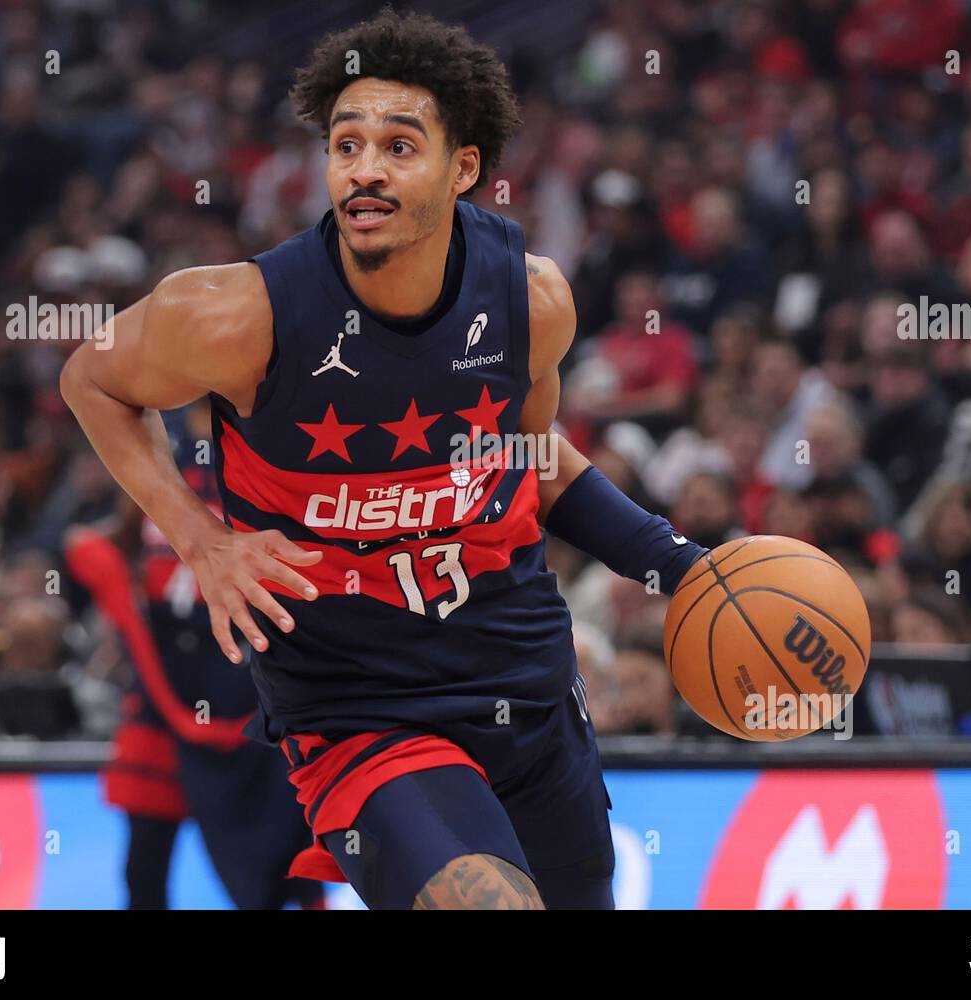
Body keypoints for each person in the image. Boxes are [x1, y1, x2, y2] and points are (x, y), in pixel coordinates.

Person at [60, 9, 708, 910]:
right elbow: (92, 380)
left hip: (522, 680)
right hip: (359, 707)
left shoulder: (533, 300)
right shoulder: (235, 317)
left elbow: (528, 465)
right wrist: (201, 542)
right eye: (346, 144)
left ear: (464, 168)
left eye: (400, 146)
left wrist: (681, 565)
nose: (364, 168)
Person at [65, 404, 322, 911]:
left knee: (282, 860)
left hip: (250, 673)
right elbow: (123, 533)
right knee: (144, 858)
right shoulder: (163, 438)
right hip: (167, 676)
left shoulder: (272, 437)